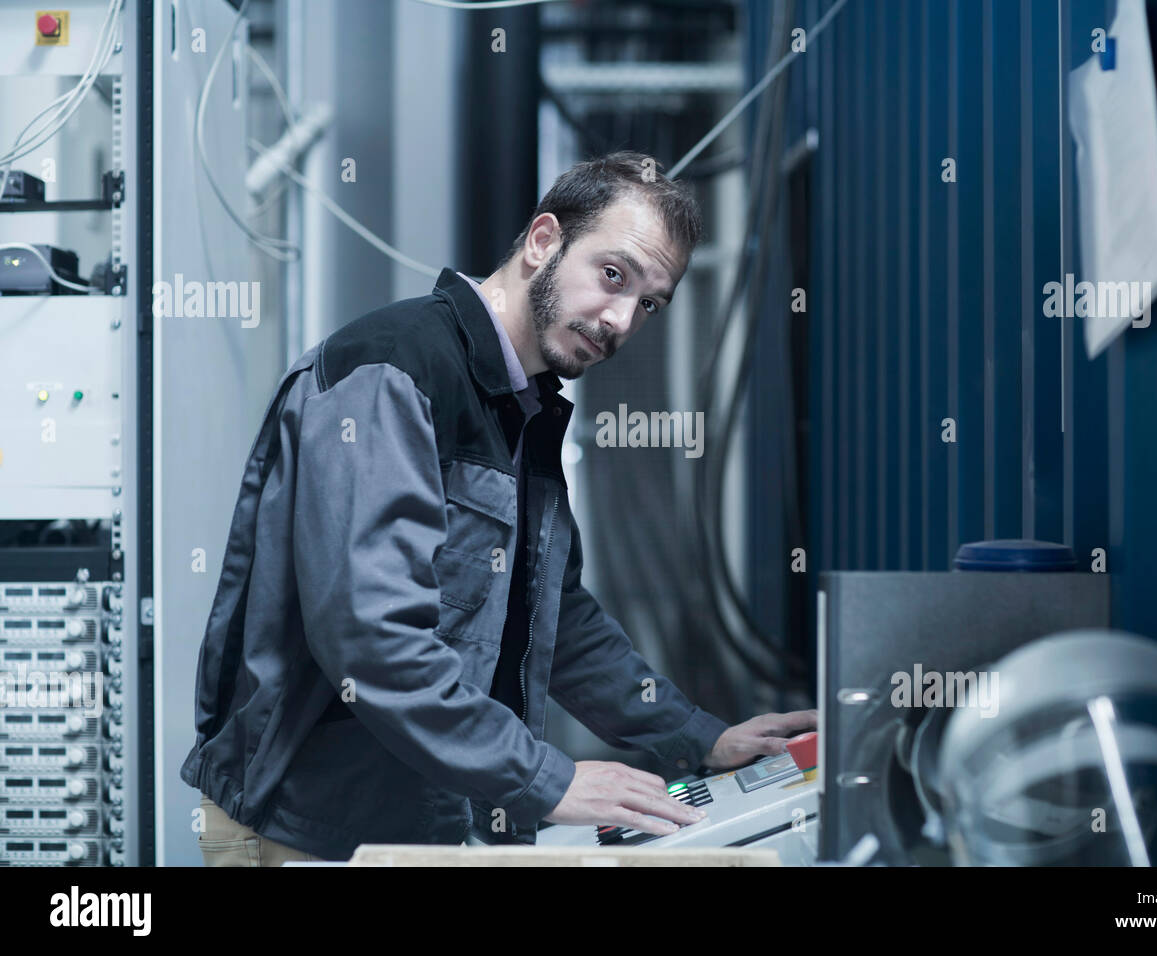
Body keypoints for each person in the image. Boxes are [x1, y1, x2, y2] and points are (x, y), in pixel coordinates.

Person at [181, 151, 816, 865]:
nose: (619, 320)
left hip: (423, 827)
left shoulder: (524, 408)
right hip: (304, 832)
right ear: (543, 241)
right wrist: (549, 778)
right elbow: (372, 638)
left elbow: (560, 619)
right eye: (613, 275)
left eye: (649, 303)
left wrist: (699, 738)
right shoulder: (394, 371)